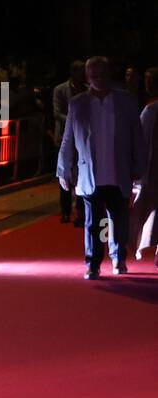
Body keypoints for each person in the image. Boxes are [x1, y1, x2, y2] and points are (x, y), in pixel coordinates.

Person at [58, 56, 147, 279]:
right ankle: (93, 263)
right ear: (87, 77)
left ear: (109, 74)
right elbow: (68, 139)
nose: (98, 79)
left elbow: (138, 136)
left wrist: (139, 165)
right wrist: (63, 170)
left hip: (120, 172)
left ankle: (118, 258)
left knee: (120, 220)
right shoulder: (77, 103)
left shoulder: (126, 101)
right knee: (93, 223)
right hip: (90, 174)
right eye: (93, 75)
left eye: (102, 74)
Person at [53, 61, 88, 225]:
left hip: (82, 138)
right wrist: (74, 121)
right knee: (64, 173)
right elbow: (57, 112)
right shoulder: (60, 90)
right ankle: (65, 210)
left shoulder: (88, 89)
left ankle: (80, 211)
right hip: (65, 136)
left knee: (82, 172)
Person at [129, 67, 158, 264]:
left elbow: (140, 141)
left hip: (153, 168)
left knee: (147, 207)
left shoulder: (150, 110)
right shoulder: (149, 109)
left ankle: (137, 244)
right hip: (153, 167)